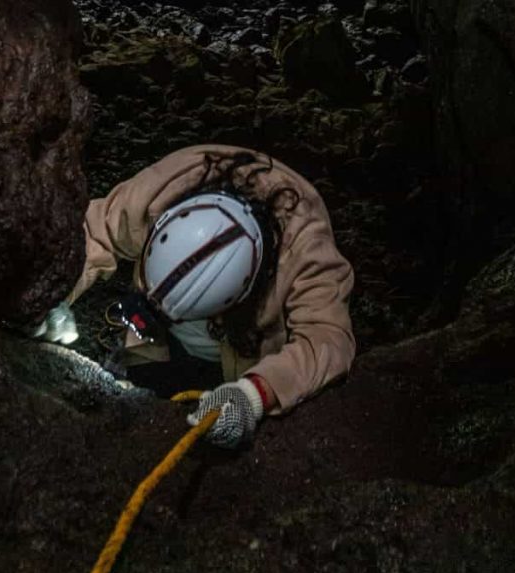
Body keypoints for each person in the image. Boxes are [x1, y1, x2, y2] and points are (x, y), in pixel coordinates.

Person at [33, 144, 356, 448]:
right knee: (146, 381)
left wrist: (256, 392)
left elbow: (327, 338)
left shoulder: (305, 253)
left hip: (239, 355)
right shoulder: (168, 186)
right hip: (155, 339)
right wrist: (50, 292)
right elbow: (96, 231)